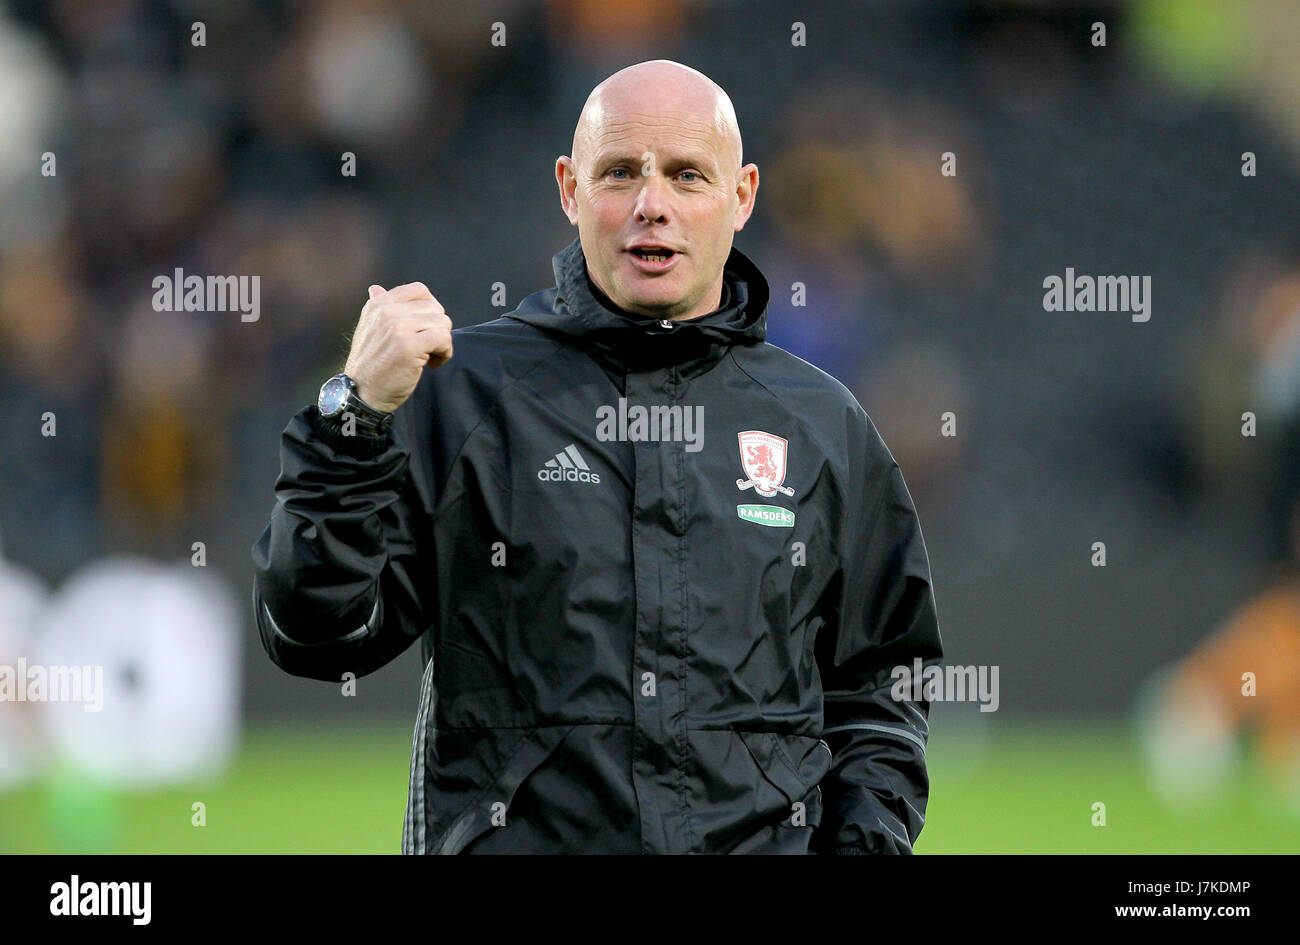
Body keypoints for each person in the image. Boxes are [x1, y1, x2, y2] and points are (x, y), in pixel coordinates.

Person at [252, 60, 943, 854]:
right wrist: (354, 416)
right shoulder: (460, 394)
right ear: (570, 189)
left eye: (688, 175)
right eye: (621, 173)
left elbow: (884, 680)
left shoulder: (823, 424)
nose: (653, 206)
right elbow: (316, 635)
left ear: (743, 195)